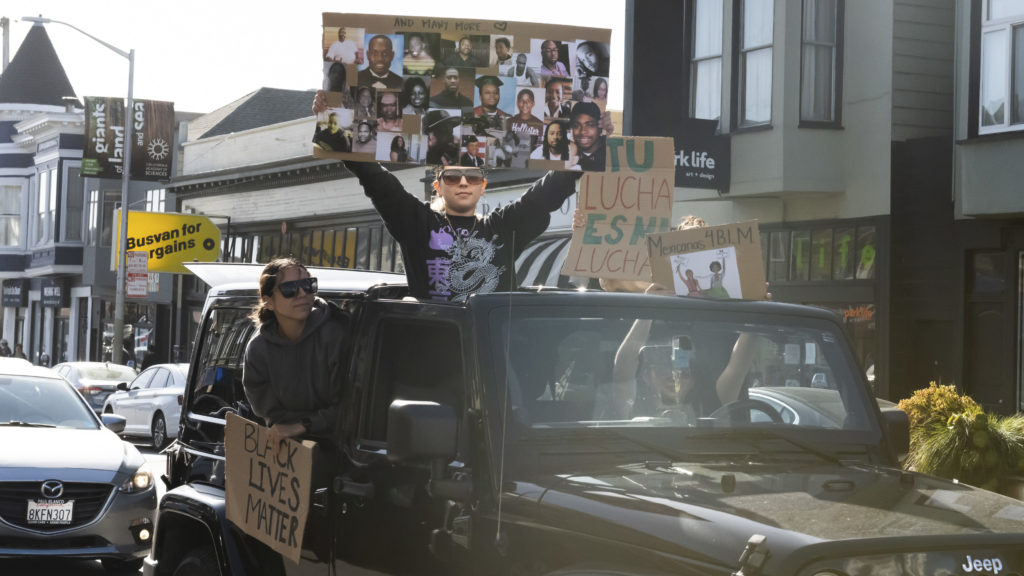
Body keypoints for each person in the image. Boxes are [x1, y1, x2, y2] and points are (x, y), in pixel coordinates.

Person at [315, 88, 582, 302]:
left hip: (494, 353)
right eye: (453, 176)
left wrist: (582, 148)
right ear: (438, 186)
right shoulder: (419, 223)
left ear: (482, 186)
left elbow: (544, 196)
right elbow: (378, 181)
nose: (464, 182)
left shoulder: (502, 227)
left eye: (473, 177)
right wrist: (331, 122)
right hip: (437, 352)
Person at [243, 258, 348, 443]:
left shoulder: (336, 335)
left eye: (308, 285)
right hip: (288, 450)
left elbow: (352, 406)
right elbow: (270, 414)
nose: (302, 294)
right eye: (290, 289)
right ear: (268, 302)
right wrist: (292, 428)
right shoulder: (258, 349)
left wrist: (303, 426)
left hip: (342, 448)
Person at [568, 101, 606, 171]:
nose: (582, 131)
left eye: (590, 125)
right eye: (576, 126)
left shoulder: (610, 151)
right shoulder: (570, 153)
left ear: (600, 128)